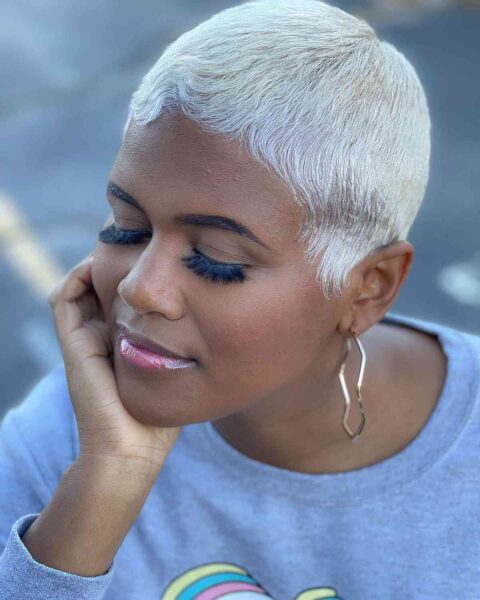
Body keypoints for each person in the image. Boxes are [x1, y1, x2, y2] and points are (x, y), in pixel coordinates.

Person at [1, 0, 479, 598]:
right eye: (127, 228)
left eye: (216, 258)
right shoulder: (62, 442)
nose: (139, 288)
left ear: (368, 287)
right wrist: (104, 482)